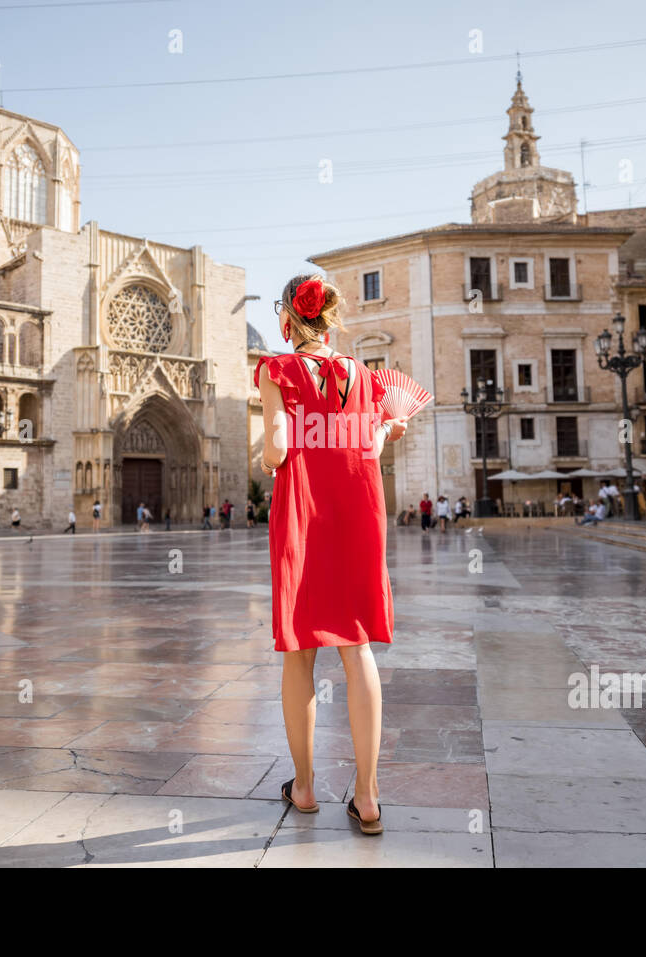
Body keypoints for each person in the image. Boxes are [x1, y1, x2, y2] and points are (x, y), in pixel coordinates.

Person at [256, 273, 408, 835]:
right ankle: (367, 798)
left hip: (305, 511)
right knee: (356, 645)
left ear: (288, 318)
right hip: (359, 513)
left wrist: (267, 463)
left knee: (299, 650)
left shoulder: (278, 369)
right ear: (329, 316)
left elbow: (278, 442)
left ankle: (305, 786)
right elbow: (368, 443)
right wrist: (388, 428)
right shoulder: (363, 375)